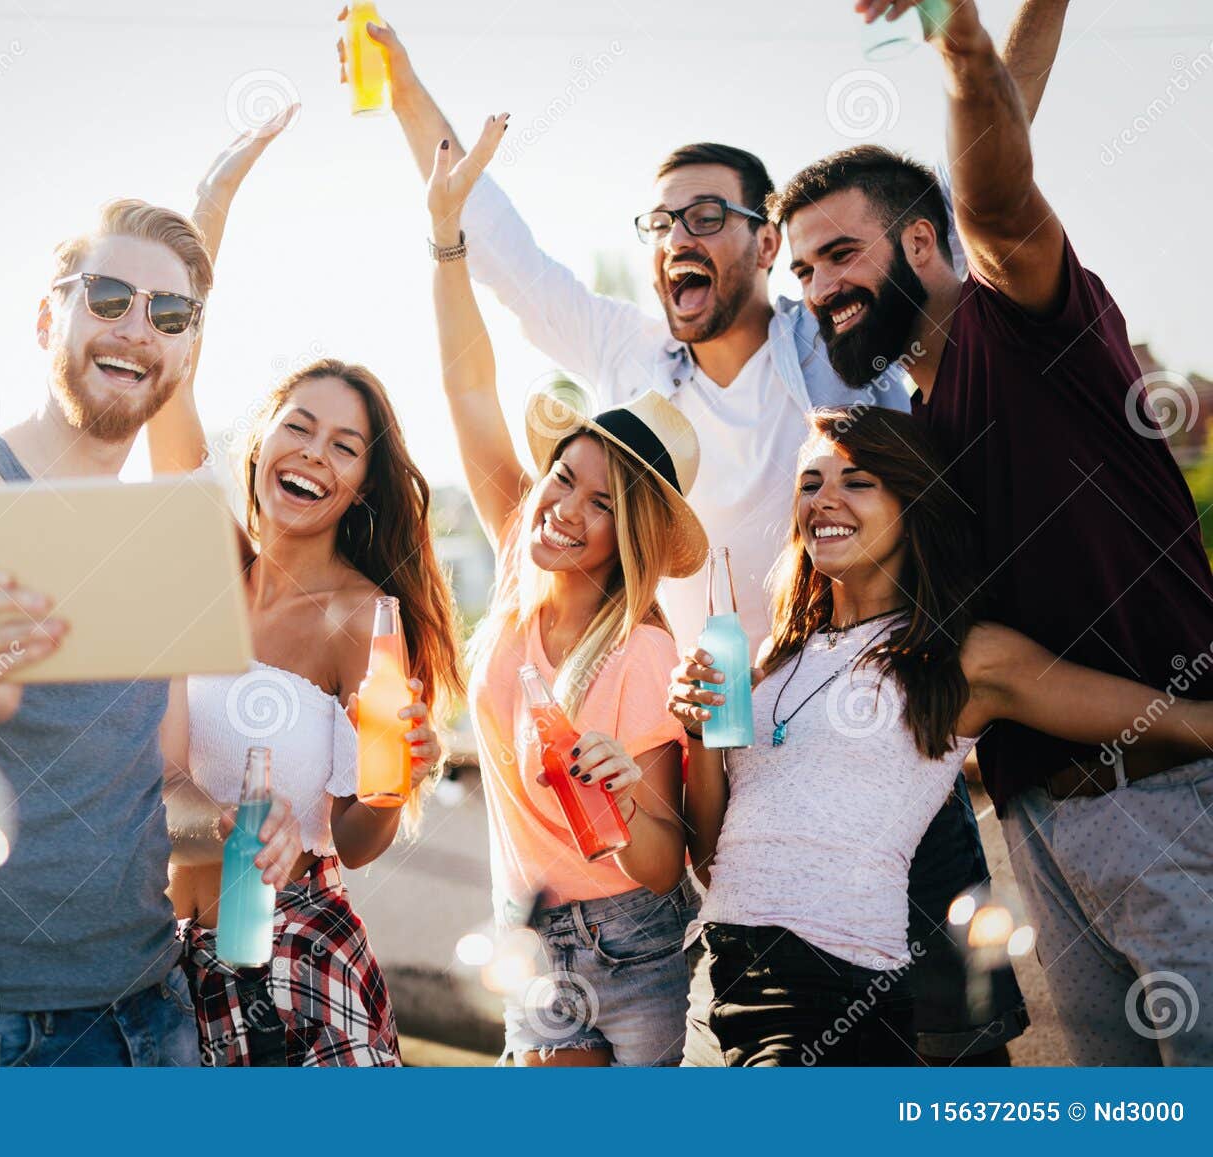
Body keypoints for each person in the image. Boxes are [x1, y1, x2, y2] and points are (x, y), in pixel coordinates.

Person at [362, 1, 1070, 1067]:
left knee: (950, 1051)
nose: (674, 241)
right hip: (725, 771)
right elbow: (497, 246)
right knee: (775, 1051)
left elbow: (962, 201)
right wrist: (405, 85)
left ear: (762, 238)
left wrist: (995, 36)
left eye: (704, 217)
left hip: (877, 744)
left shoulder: (826, 345)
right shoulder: (628, 359)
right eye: (658, 224)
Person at [776, 0, 1213, 1065]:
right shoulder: (914, 435)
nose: (821, 287)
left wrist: (962, 44)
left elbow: (994, 189)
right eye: (803, 271)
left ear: (923, 242)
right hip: (1040, 831)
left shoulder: (1019, 325)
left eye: (839, 254)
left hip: (1171, 797)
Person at [0, 197, 303, 1066]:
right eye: (107, 297)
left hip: (152, 1005)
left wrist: (226, 824)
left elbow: (153, 785)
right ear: (48, 318)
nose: (136, 328)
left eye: (168, 313)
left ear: (186, 352)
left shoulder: (158, 536)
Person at [674, 406, 1213, 1066]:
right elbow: (709, 858)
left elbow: (1158, 716)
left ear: (912, 501)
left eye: (858, 480)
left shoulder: (959, 658)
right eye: (810, 483)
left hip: (831, 988)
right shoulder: (769, 661)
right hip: (721, 984)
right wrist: (700, 735)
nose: (826, 500)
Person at [148, 115, 461, 1067]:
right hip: (165, 964)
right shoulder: (205, 561)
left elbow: (360, 839)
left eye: (345, 445)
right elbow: (167, 379)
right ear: (262, 440)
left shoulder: (364, 620)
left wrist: (399, 777)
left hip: (299, 958)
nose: (315, 454)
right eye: (300, 425)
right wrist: (210, 209)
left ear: (361, 484)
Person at [428, 112, 704, 1066]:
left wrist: (624, 795)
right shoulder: (516, 572)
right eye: (563, 479)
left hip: (627, 937)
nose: (564, 509)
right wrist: (445, 242)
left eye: (602, 503)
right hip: (530, 930)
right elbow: (468, 390)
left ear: (629, 536)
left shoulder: (642, 650)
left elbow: (664, 858)